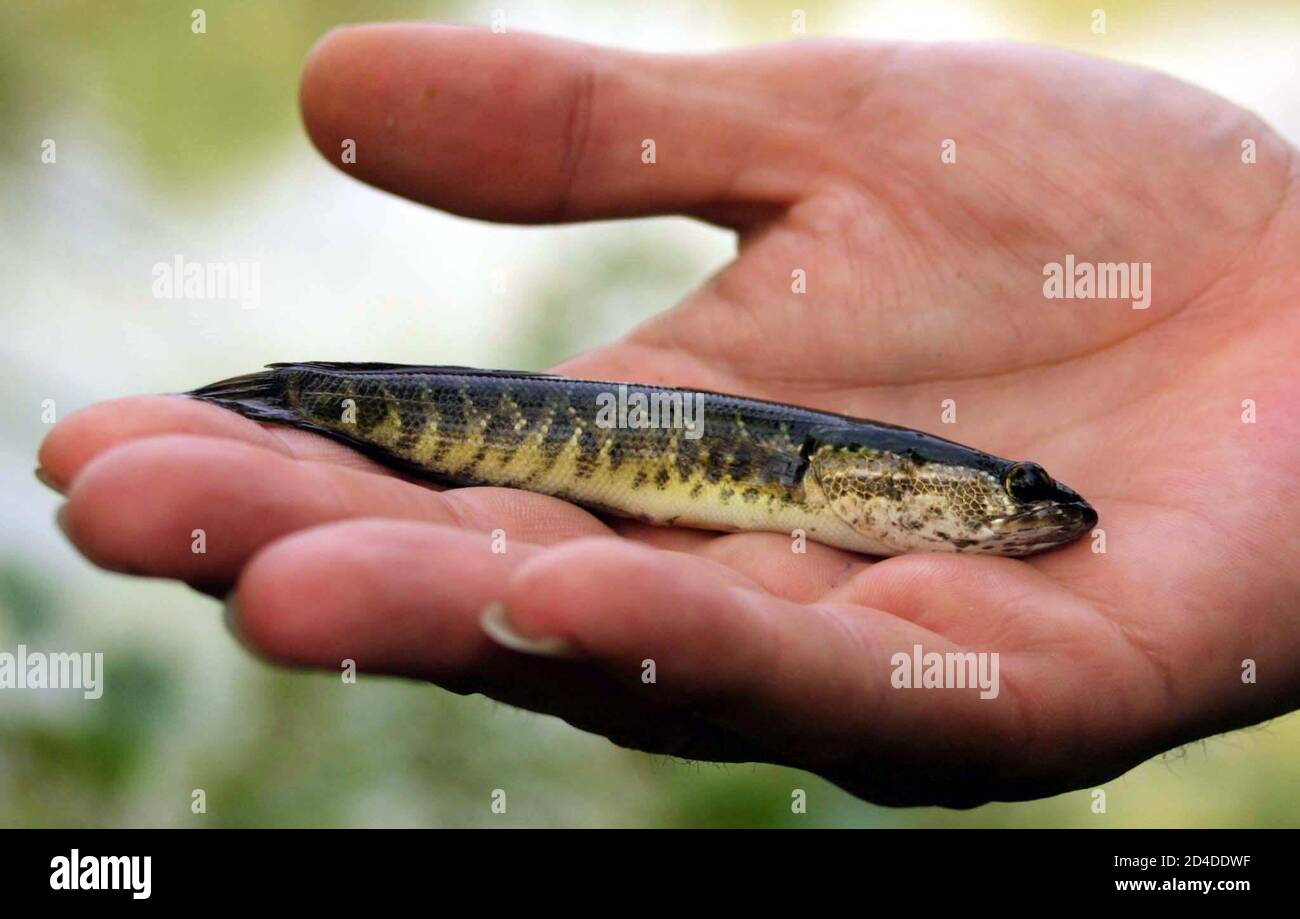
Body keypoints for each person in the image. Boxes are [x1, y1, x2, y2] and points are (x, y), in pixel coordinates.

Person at [37, 24, 1300, 807]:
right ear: (883, 479)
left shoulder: (857, 487)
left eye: (1016, 491)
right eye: (1006, 488)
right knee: (297, 436)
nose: (1031, 509)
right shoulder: (855, 475)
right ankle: (284, 404)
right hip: (424, 404)